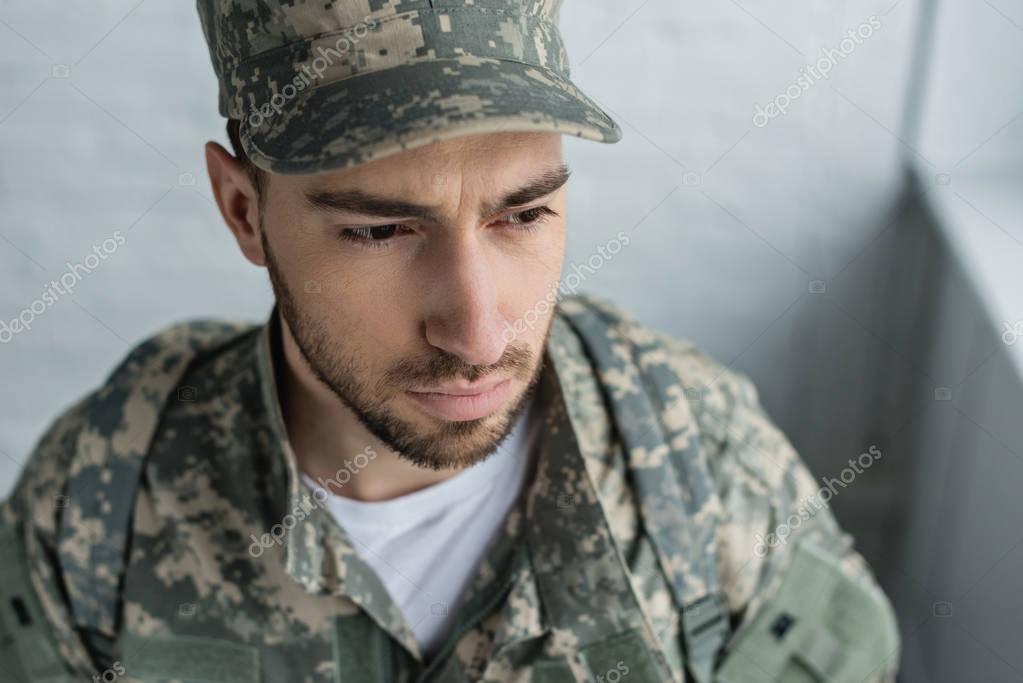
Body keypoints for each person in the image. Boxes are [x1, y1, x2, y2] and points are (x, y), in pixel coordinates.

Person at [0, 1, 900, 681]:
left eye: (524, 213)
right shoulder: (104, 493)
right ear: (243, 209)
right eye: (381, 232)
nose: (477, 330)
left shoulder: (695, 460)